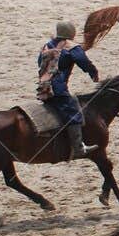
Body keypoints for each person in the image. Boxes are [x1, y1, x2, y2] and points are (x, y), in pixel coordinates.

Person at [38, 21, 99, 160]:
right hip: (58, 87)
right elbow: (82, 60)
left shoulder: (47, 46)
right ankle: (78, 148)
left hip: (43, 86)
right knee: (73, 111)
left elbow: (40, 63)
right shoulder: (70, 46)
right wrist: (92, 71)